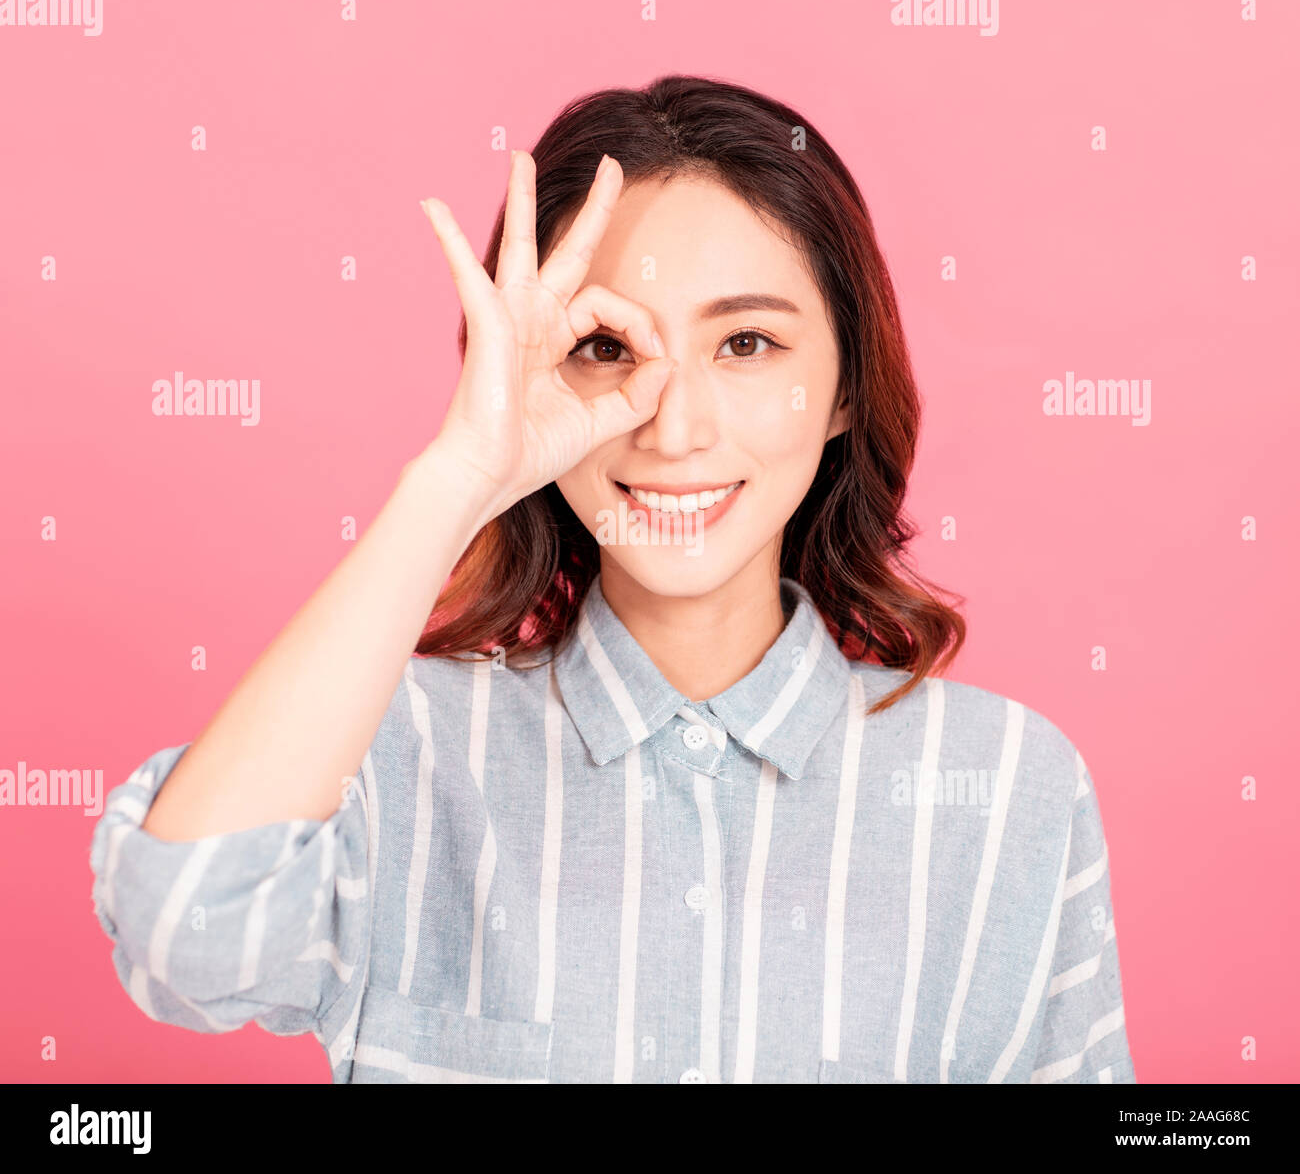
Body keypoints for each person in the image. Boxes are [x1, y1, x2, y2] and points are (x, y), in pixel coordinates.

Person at [90, 74, 1134, 1084]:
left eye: (747, 342)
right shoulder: (391, 754)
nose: (674, 427)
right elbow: (183, 931)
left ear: (846, 388)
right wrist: (460, 477)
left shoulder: (1008, 793)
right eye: (603, 344)